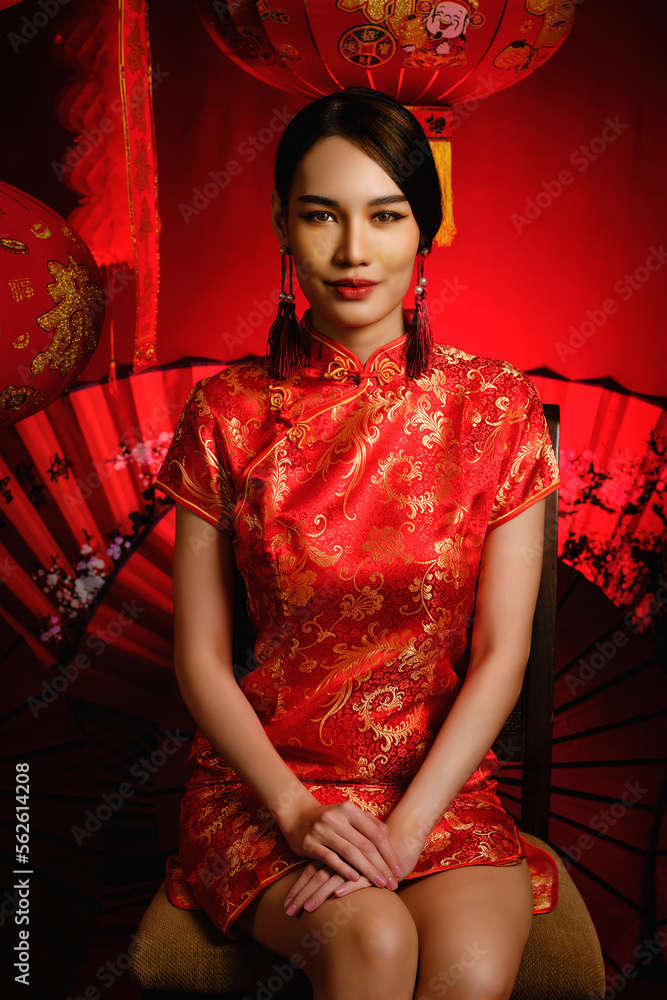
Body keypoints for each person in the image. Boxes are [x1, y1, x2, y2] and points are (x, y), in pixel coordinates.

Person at [154, 87, 560, 1000]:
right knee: (370, 942)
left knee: (464, 975)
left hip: (439, 788)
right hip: (267, 790)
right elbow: (201, 658)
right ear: (280, 223)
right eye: (321, 215)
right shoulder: (225, 412)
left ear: (425, 227)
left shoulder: (494, 408)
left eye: (384, 215)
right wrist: (297, 812)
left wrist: (410, 827)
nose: (351, 251)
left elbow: (501, 652)